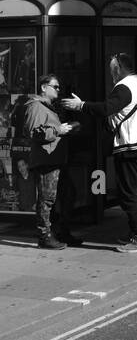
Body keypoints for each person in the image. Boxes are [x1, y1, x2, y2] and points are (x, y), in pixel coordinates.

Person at [62, 54, 137, 255]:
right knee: (132, 191)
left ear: (120, 67)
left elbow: (107, 108)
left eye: (112, 69)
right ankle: (135, 233)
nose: (111, 73)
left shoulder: (125, 86)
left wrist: (81, 105)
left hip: (132, 146)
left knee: (127, 193)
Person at [23, 75, 81, 249]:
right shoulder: (35, 106)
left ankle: (62, 231)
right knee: (47, 199)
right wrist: (59, 129)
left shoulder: (49, 107)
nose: (58, 89)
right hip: (46, 160)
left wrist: (69, 127)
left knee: (68, 194)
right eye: (54, 86)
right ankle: (45, 236)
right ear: (43, 87)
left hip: (57, 159)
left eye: (58, 87)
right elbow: (33, 132)